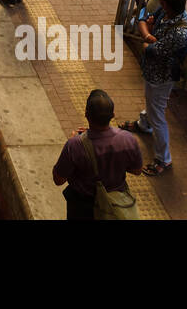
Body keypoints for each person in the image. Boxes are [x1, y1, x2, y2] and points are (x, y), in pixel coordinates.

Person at [120, 0, 187, 177]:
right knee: (153, 104)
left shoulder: (181, 32)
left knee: (158, 115)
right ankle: (144, 124)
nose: (159, 4)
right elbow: (144, 21)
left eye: (162, 2)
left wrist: (147, 38)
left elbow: (151, 50)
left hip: (162, 77)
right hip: (153, 72)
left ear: (168, 5)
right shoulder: (168, 14)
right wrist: (148, 35)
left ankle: (163, 158)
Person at [53, 89, 143, 221]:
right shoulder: (128, 139)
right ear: (113, 115)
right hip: (114, 206)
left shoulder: (75, 145)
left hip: (82, 208)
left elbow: (58, 180)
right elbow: (137, 170)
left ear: (86, 114)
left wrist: (73, 142)